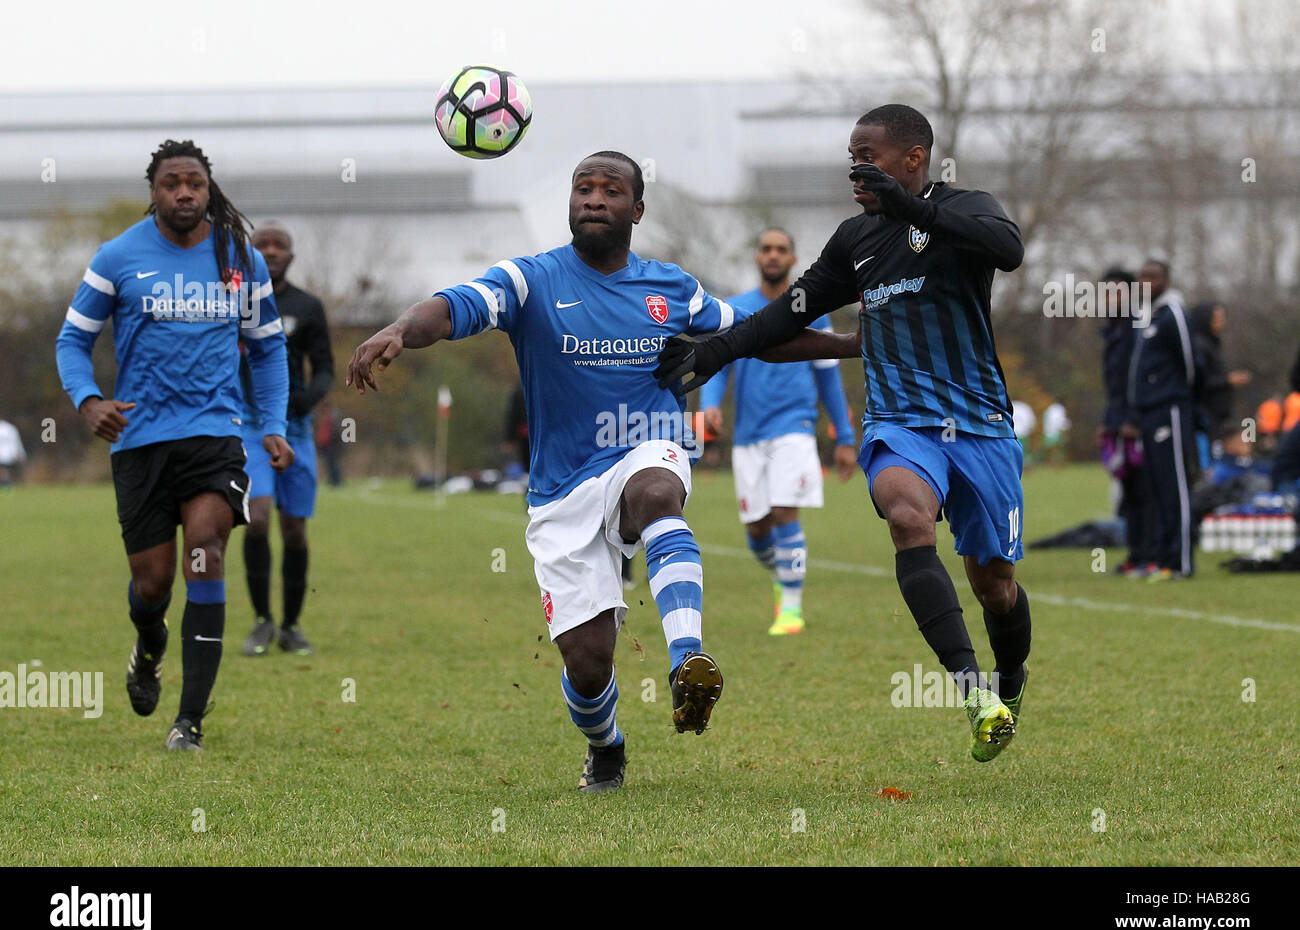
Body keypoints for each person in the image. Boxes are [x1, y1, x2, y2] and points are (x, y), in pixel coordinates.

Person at [657, 104, 1029, 762]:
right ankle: (974, 695)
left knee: (994, 582)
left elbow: (1010, 250)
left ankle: (1011, 681)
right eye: (850, 156)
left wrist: (914, 211)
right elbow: (785, 316)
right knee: (908, 517)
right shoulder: (854, 241)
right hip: (898, 423)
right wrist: (711, 353)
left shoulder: (965, 208)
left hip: (981, 425)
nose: (855, 167)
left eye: (869, 154)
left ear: (913, 158)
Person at [347, 151, 728, 793]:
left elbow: (757, 333)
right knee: (587, 664)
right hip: (562, 488)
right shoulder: (531, 280)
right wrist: (399, 328)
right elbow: (458, 305)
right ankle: (606, 746)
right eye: (584, 188)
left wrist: (853, 338)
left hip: (645, 443)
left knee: (659, 492)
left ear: (636, 210)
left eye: (611, 191)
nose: (595, 199)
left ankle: (688, 658)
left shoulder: (674, 289)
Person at [55, 139, 290, 751]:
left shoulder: (239, 258)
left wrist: (273, 424)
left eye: (195, 183)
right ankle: (148, 644)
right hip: (140, 441)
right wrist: (89, 400)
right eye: (171, 183)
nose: (184, 193)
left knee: (206, 549)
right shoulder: (118, 257)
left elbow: (267, 349)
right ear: (153, 191)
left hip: (215, 435)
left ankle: (189, 722)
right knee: (154, 583)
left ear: (208, 189)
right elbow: (71, 343)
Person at [699, 228, 857, 635]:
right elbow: (718, 365)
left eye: (781, 250)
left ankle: (791, 607)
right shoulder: (735, 309)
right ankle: (782, 573)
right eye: (766, 248)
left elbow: (829, 383)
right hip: (749, 435)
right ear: (757, 257)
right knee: (757, 531)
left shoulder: (811, 312)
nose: (773, 255)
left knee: (786, 511)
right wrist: (710, 405)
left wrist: (844, 439)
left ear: (792, 259)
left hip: (795, 427)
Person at [240, 220, 334, 657]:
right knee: (256, 517)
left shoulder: (308, 306)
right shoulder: (230, 300)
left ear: (291, 257)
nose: (272, 251)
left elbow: (326, 368)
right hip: (249, 427)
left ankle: (292, 626)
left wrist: (305, 401)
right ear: (250, 253)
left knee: (294, 530)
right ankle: (261, 622)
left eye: (280, 246)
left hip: (295, 428)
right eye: (263, 244)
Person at [1125, 259, 1198, 580]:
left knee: (1175, 486)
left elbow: (1190, 363)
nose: (1146, 281)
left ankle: (1181, 561)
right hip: (1148, 414)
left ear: (1166, 279)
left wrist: (1176, 397)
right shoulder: (1146, 316)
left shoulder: (1173, 313)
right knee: (1154, 488)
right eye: (1142, 276)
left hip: (1170, 409)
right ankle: (1160, 558)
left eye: (1153, 276)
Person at [1097, 268, 1156, 577]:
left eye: (1117, 291)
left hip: (1141, 422)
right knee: (1129, 489)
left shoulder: (1139, 327)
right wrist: (1109, 421)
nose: (1111, 298)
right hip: (1119, 422)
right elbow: (1115, 384)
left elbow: (1139, 378)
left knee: (1147, 488)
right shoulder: (1114, 329)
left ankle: (1151, 554)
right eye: (1106, 292)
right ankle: (1136, 554)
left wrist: (1133, 418)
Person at [1191, 300, 1251, 468]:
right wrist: (1228, 380)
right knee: (1210, 459)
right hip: (1206, 416)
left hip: (1220, 415)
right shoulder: (1200, 345)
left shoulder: (1214, 344)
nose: (1222, 322)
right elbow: (1200, 382)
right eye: (1218, 318)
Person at [0, 419, 26, 487]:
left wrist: (20, 453)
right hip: (9, 454)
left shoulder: (9, 428)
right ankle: (6, 484)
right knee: (4, 471)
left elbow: (16, 442)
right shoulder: (10, 428)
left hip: (7, 455)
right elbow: (17, 442)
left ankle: (6, 485)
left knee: (4, 470)